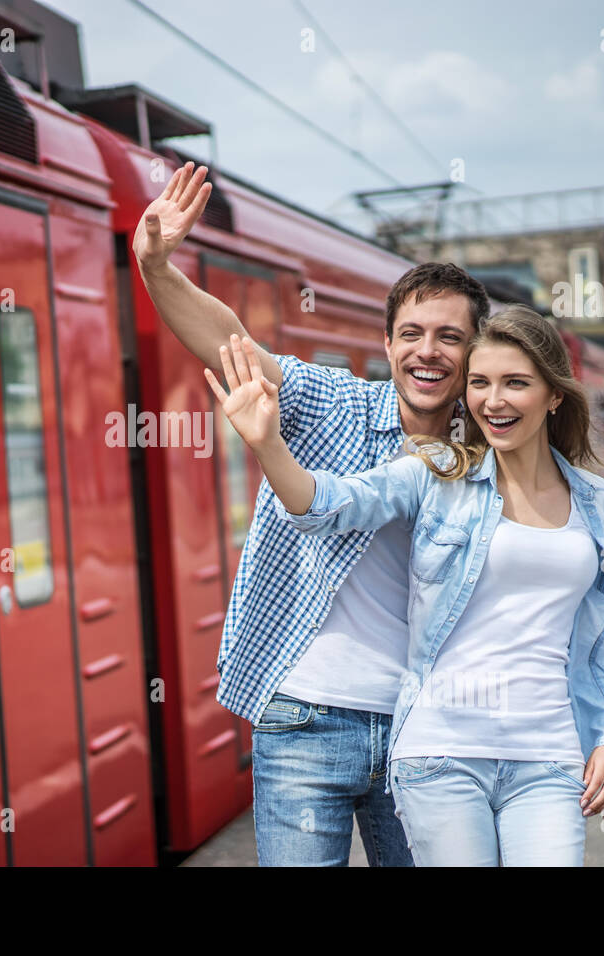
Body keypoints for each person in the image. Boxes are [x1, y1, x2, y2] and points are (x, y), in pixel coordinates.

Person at [133, 161, 490, 865]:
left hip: (428, 731)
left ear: (473, 353)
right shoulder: (335, 403)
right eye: (411, 334)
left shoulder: (486, 459)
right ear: (387, 347)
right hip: (305, 718)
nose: (428, 351)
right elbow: (233, 345)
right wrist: (155, 268)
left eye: (449, 337)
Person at [204, 306, 604, 866]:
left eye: (516, 383)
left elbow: (601, 640)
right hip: (443, 753)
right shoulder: (438, 475)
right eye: (480, 383)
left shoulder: (595, 500)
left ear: (554, 395)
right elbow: (327, 506)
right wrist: (269, 445)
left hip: (549, 754)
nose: (494, 401)